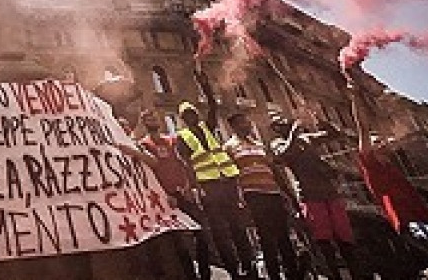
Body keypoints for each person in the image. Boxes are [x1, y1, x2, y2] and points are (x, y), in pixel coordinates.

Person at [347, 80, 428, 279]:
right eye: (376, 141)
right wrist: (355, 94)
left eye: (382, 140)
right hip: (409, 224)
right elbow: (362, 126)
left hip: (426, 222)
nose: (382, 142)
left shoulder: (392, 166)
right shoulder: (371, 165)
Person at [176, 67, 256, 280]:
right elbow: (186, 164)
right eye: (187, 114)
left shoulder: (208, 128)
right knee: (220, 231)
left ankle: (249, 266)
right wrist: (195, 188)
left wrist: (204, 84)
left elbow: (212, 106)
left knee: (238, 227)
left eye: (193, 112)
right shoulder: (182, 137)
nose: (192, 116)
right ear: (183, 118)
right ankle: (233, 269)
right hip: (208, 187)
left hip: (227, 183)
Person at [119, 109, 212, 280]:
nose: (152, 121)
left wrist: (190, 186)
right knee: (180, 243)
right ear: (143, 124)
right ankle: (190, 275)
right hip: (167, 199)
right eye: (148, 119)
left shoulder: (172, 140)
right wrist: (163, 195)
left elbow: (183, 164)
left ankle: (205, 273)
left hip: (184, 193)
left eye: (154, 117)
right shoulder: (144, 145)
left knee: (202, 235)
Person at [269, 113, 362, 280]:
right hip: (309, 195)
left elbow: (333, 134)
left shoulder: (306, 138)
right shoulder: (278, 143)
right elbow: (282, 155)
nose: (283, 123)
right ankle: (333, 274)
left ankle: (356, 272)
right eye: (278, 123)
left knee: (344, 234)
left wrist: (321, 120)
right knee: (323, 238)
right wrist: (294, 133)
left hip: (329, 191)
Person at [224, 111, 299, 280]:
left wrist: (287, 194)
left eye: (247, 122)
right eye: (242, 122)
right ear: (234, 126)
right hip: (253, 195)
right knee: (266, 236)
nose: (247, 125)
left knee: (283, 235)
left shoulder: (260, 145)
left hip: (273, 193)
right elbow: (231, 176)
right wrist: (238, 198)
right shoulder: (229, 147)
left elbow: (274, 170)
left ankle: (292, 272)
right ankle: (274, 274)